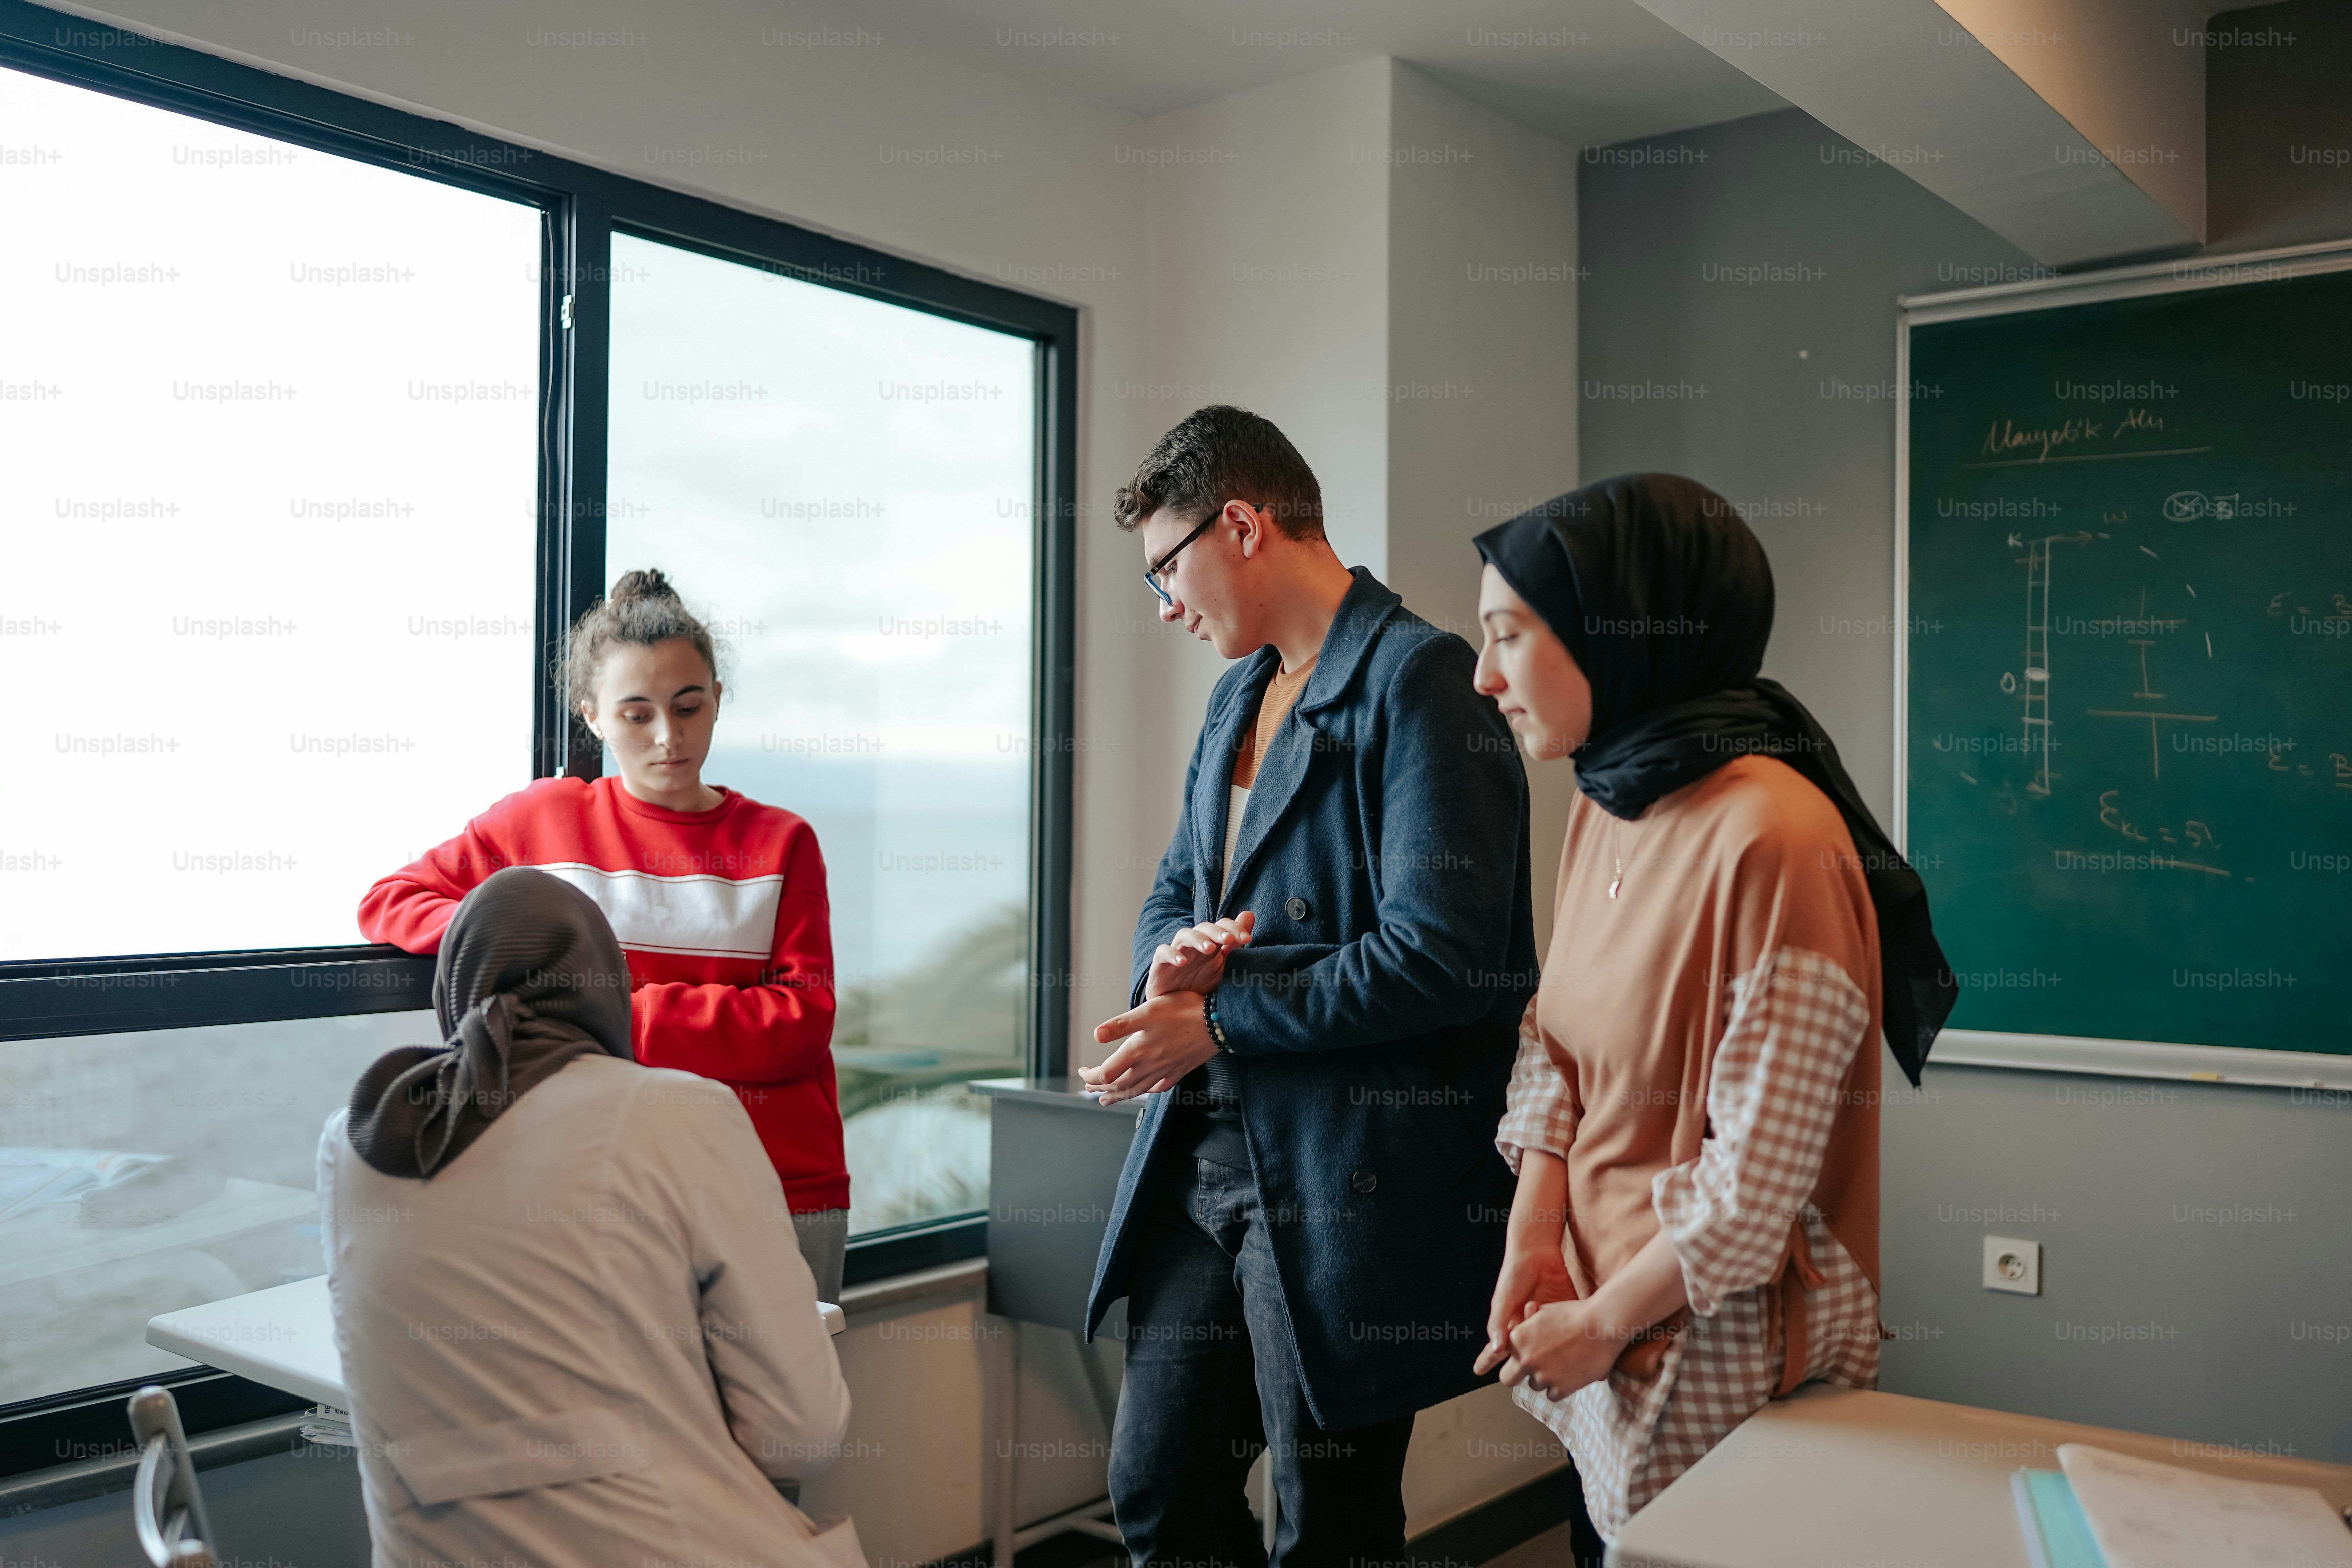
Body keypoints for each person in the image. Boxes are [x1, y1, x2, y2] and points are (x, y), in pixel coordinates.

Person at [1079, 406, 1543, 1564]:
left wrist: (1219, 1016)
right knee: (1154, 1487)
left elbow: (1444, 957)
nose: (1166, 607)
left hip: (1340, 1169)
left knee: (1326, 1527)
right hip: (1204, 1155)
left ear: (1238, 525)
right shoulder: (1236, 695)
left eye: (1165, 573)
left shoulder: (1421, 678)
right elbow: (1172, 888)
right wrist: (1170, 966)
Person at [1466, 474, 1956, 1542]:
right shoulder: (1613, 799)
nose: (1482, 676)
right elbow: (1555, 1049)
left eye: (1508, 635)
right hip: (1608, 1326)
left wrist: (1599, 1319)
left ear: (1622, 631)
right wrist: (1533, 1235)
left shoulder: (1774, 839)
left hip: (1721, 1362)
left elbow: (1753, 1189)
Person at [319, 867, 859, 1568]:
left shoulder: (361, 1133)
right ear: (605, 982)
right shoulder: (682, 1112)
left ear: (452, 985)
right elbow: (801, 1432)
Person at [357, 569, 849, 1300]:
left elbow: (800, 1022)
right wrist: (515, 952)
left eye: (689, 706)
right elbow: (391, 900)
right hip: (594, 1185)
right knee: (614, 1413)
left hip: (776, 1181)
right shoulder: (541, 821)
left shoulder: (782, 842)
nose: (669, 738)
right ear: (592, 716)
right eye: (636, 714)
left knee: (787, 1417)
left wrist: (596, 1007)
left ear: (718, 699)